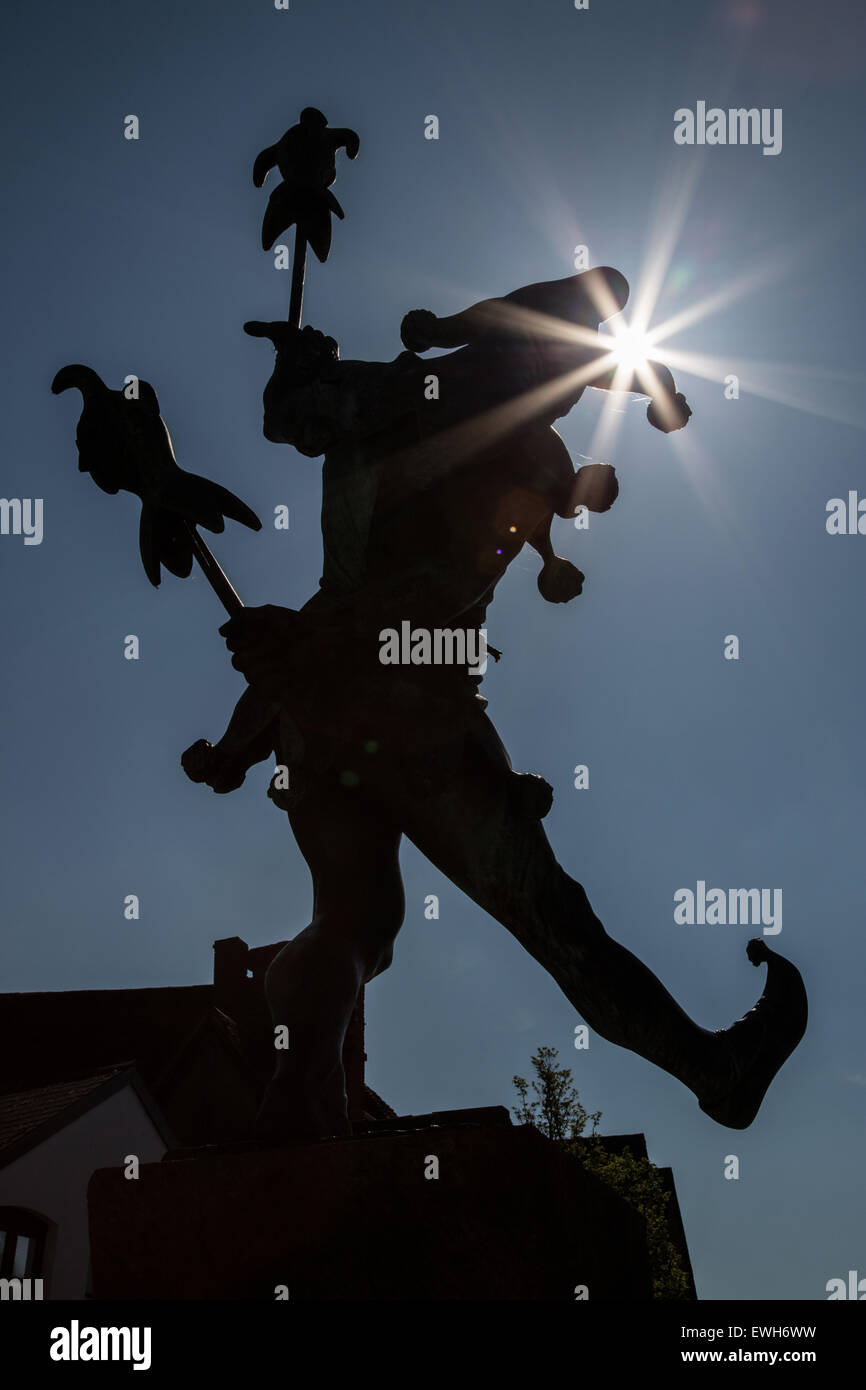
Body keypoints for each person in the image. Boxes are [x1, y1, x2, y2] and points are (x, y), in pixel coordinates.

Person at [210, 267, 804, 1140]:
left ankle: (298, 1104)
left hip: (314, 713)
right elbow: (441, 589)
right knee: (551, 920)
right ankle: (715, 1072)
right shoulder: (529, 458)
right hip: (413, 717)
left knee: (354, 917)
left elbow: (290, 414)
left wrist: (300, 365)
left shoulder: (386, 391)